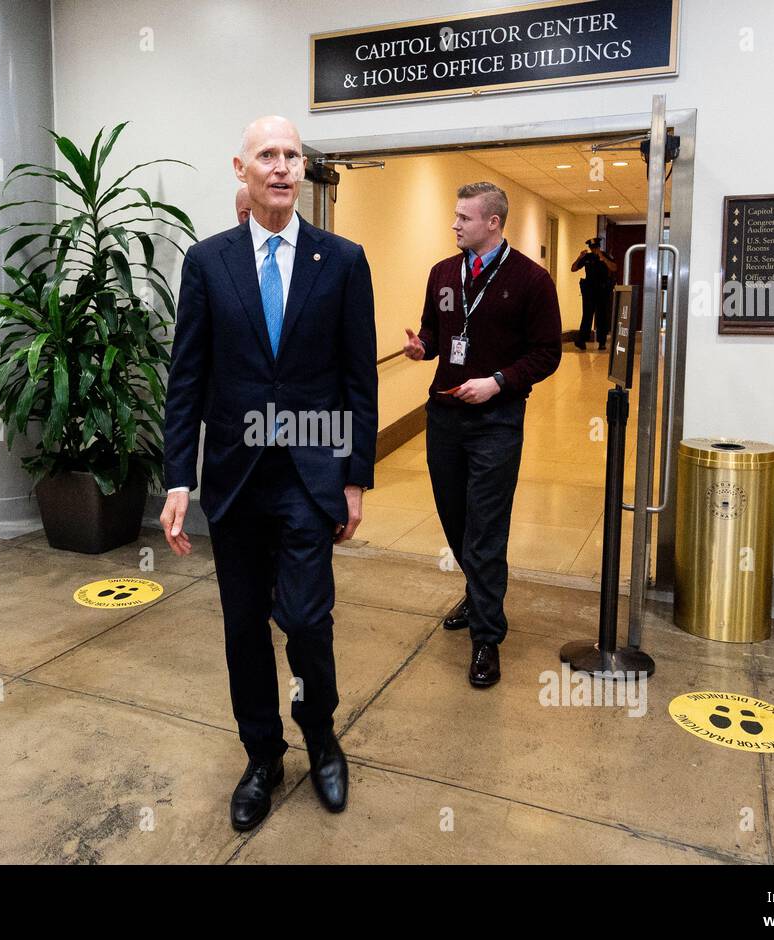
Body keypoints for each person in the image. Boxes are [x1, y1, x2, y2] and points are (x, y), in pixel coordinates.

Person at [161, 115, 377, 831]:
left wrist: (354, 479)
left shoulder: (342, 261)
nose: (282, 166)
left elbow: (357, 381)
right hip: (235, 479)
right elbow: (186, 379)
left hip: (311, 477)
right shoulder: (208, 262)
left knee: (309, 622)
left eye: (292, 155)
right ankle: (262, 753)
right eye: (267, 155)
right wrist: (177, 478)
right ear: (241, 169)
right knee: (243, 626)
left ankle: (320, 735)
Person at [403, 182, 561, 687]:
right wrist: (421, 347)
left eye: (463, 218)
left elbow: (546, 353)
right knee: (455, 517)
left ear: (493, 222)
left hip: (496, 420)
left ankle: (487, 638)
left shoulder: (531, 280)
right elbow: (435, 332)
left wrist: (497, 383)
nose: (454, 225)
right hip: (445, 415)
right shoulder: (443, 273)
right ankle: (476, 595)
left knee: (487, 527)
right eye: (454, 217)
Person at [571, 237, 616, 350]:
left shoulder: (605, 256)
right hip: (589, 290)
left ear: (599, 247)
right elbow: (574, 268)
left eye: (595, 247)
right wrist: (579, 257)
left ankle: (602, 342)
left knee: (602, 315)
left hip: (602, 290)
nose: (593, 249)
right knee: (587, 315)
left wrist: (603, 258)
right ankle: (582, 340)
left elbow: (614, 268)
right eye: (591, 247)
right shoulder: (587, 257)